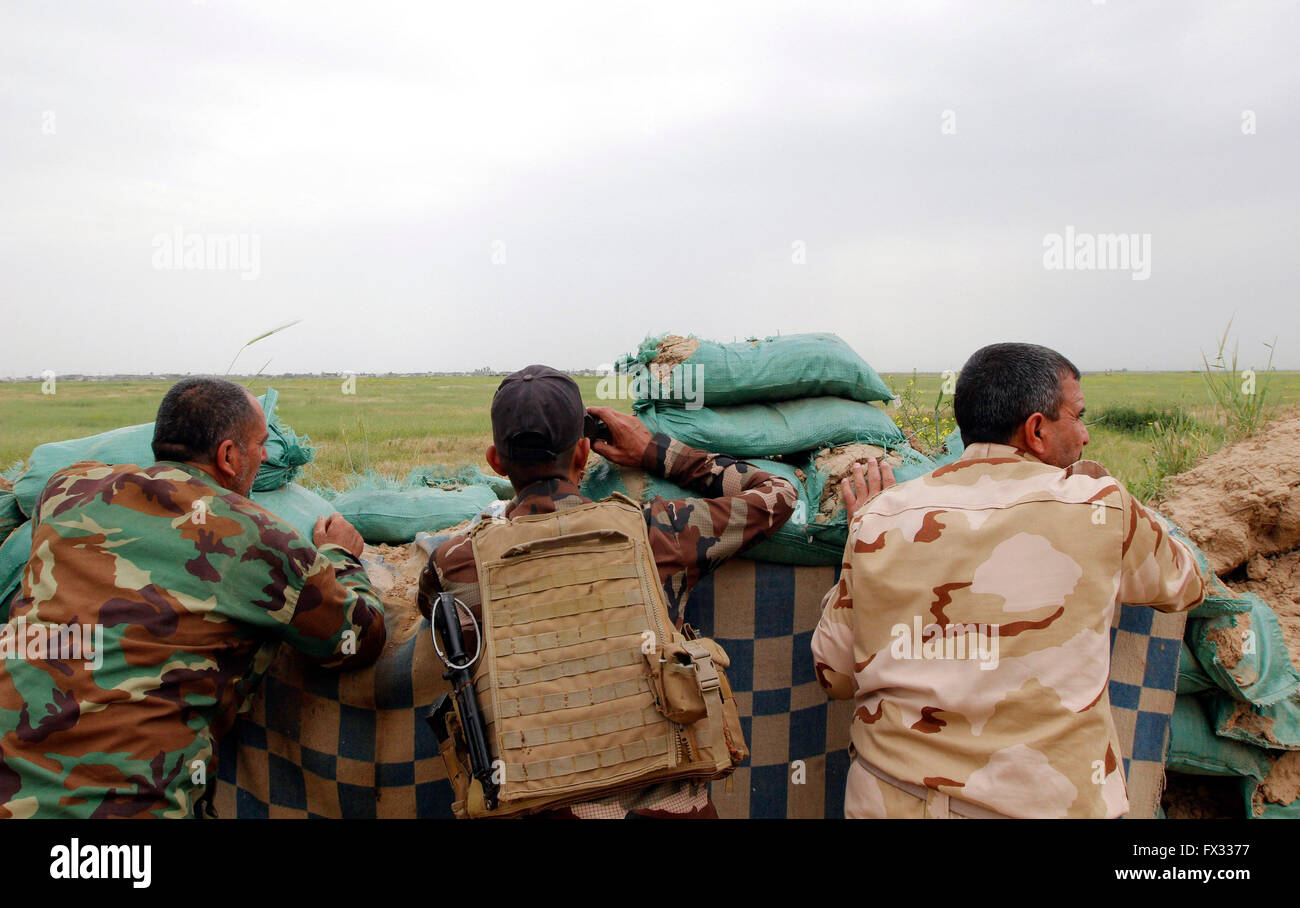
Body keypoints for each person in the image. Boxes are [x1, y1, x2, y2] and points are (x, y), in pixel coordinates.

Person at [812, 342, 1207, 819]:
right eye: (1078, 417)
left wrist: (869, 526)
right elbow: (1184, 583)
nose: (1085, 437)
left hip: (891, 801)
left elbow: (833, 674)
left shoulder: (879, 520)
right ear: (1036, 429)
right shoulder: (1101, 507)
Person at [419, 364, 798, 818]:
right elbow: (779, 494)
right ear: (583, 453)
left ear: (496, 462)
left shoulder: (455, 565)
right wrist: (655, 451)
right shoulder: (657, 530)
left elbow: (432, 606)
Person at [0, 377, 386, 818]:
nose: (266, 456)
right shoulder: (262, 538)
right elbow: (358, 637)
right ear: (228, 455)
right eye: (261, 445)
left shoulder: (66, 491)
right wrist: (341, 556)